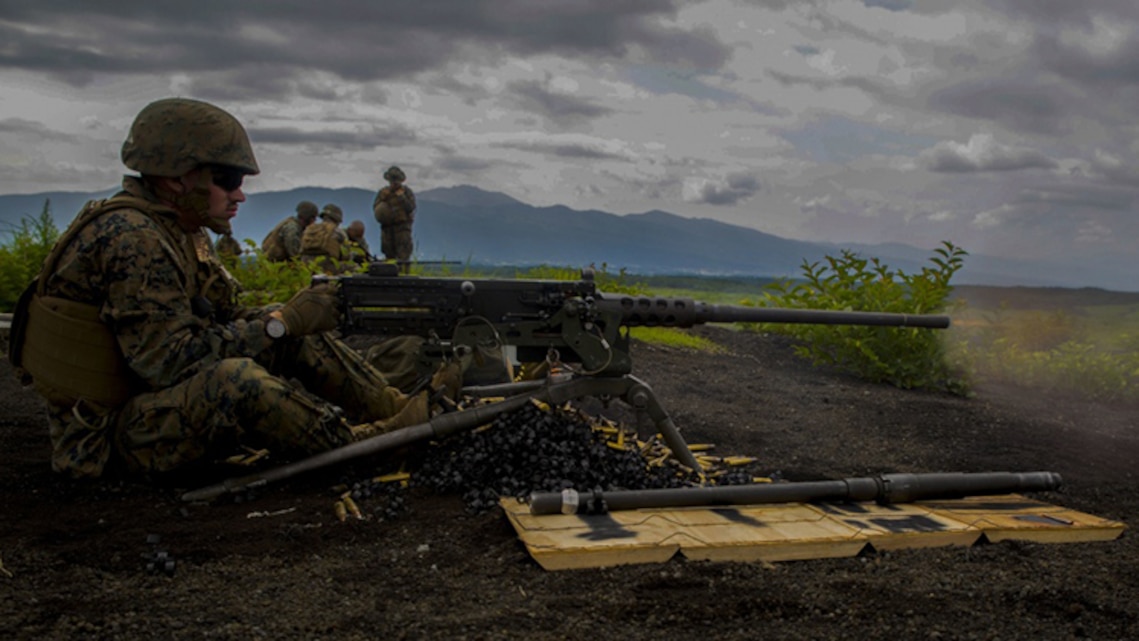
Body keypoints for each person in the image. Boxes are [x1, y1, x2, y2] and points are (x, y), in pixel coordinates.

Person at [7, 97, 455, 481]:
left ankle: (396, 409)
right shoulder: (133, 238)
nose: (240, 195)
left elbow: (218, 318)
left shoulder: (180, 228)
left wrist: (287, 318)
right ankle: (373, 446)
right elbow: (171, 363)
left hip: (147, 406)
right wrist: (279, 326)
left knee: (284, 324)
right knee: (236, 380)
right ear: (175, 177)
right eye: (228, 180)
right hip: (104, 440)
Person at [372, 165, 416, 268]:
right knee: (389, 256)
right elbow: (376, 208)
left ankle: (404, 276)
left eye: (396, 180)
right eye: (392, 180)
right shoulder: (383, 193)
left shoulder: (406, 192)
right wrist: (384, 198)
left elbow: (410, 208)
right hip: (387, 228)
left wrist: (401, 197)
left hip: (402, 228)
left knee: (403, 257)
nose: (395, 183)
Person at [299, 203, 349, 274]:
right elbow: (346, 255)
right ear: (337, 220)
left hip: (306, 266)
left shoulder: (310, 229)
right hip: (327, 268)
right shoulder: (338, 232)